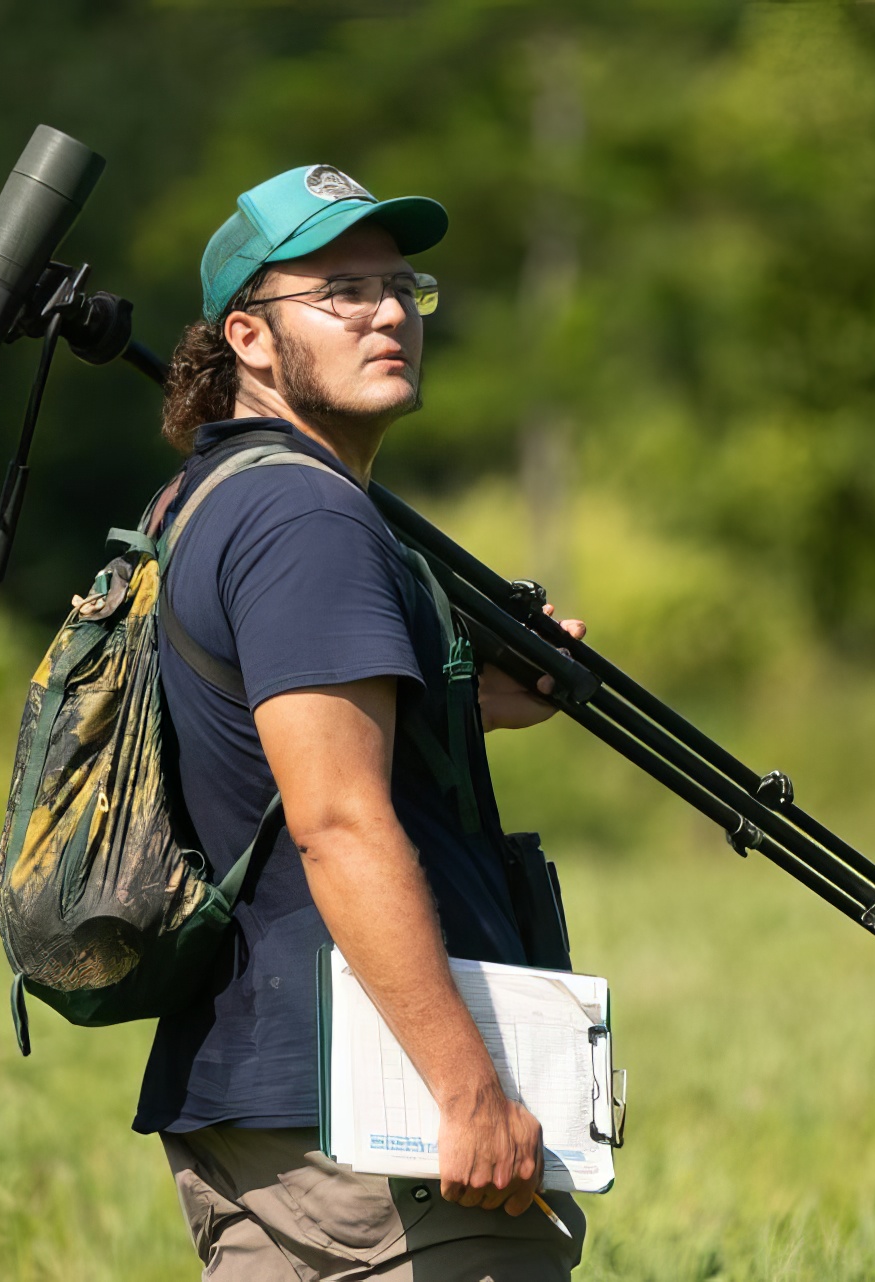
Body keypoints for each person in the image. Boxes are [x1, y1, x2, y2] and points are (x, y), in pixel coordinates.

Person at [138, 163, 587, 1281]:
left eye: (399, 286)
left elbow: (262, 735)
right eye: (339, 290)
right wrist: (468, 1084)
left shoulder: (205, 499)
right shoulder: (306, 513)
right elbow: (336, 816)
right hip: (376, 1121)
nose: (387, 312)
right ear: (248, 336)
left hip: (256, 1109)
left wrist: (461, 701)